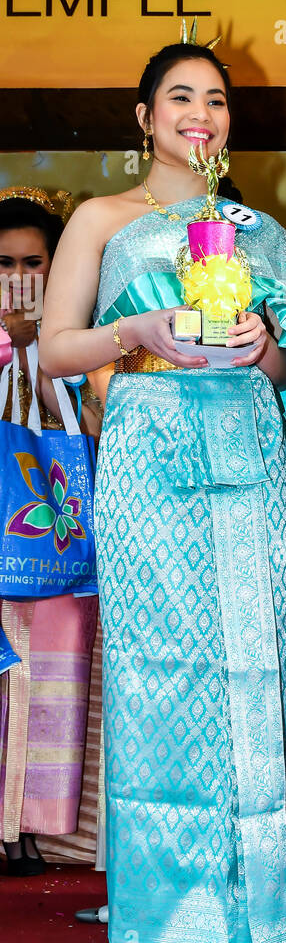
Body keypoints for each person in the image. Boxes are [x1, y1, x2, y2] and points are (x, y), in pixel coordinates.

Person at [38, 28, 286, 943]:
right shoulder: (100, 220)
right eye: (181, 98)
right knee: (161, 672)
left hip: (247, 446)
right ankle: (177, 909)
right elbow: (54, 350)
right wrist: (136, 329)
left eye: (215, 100)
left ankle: (262, 895)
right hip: (149, 455)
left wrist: (266, 348)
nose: (200, 114)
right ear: (144, 117)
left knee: (261, 657)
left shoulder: (261, 233)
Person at [0, 189, 101, 877]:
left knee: (58, 677)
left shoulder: (84, 335)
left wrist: (50, 349)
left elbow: (101, 421)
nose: (19, 278)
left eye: (34, 262)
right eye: (2, 263)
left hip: (66, 540)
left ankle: (41, 828)